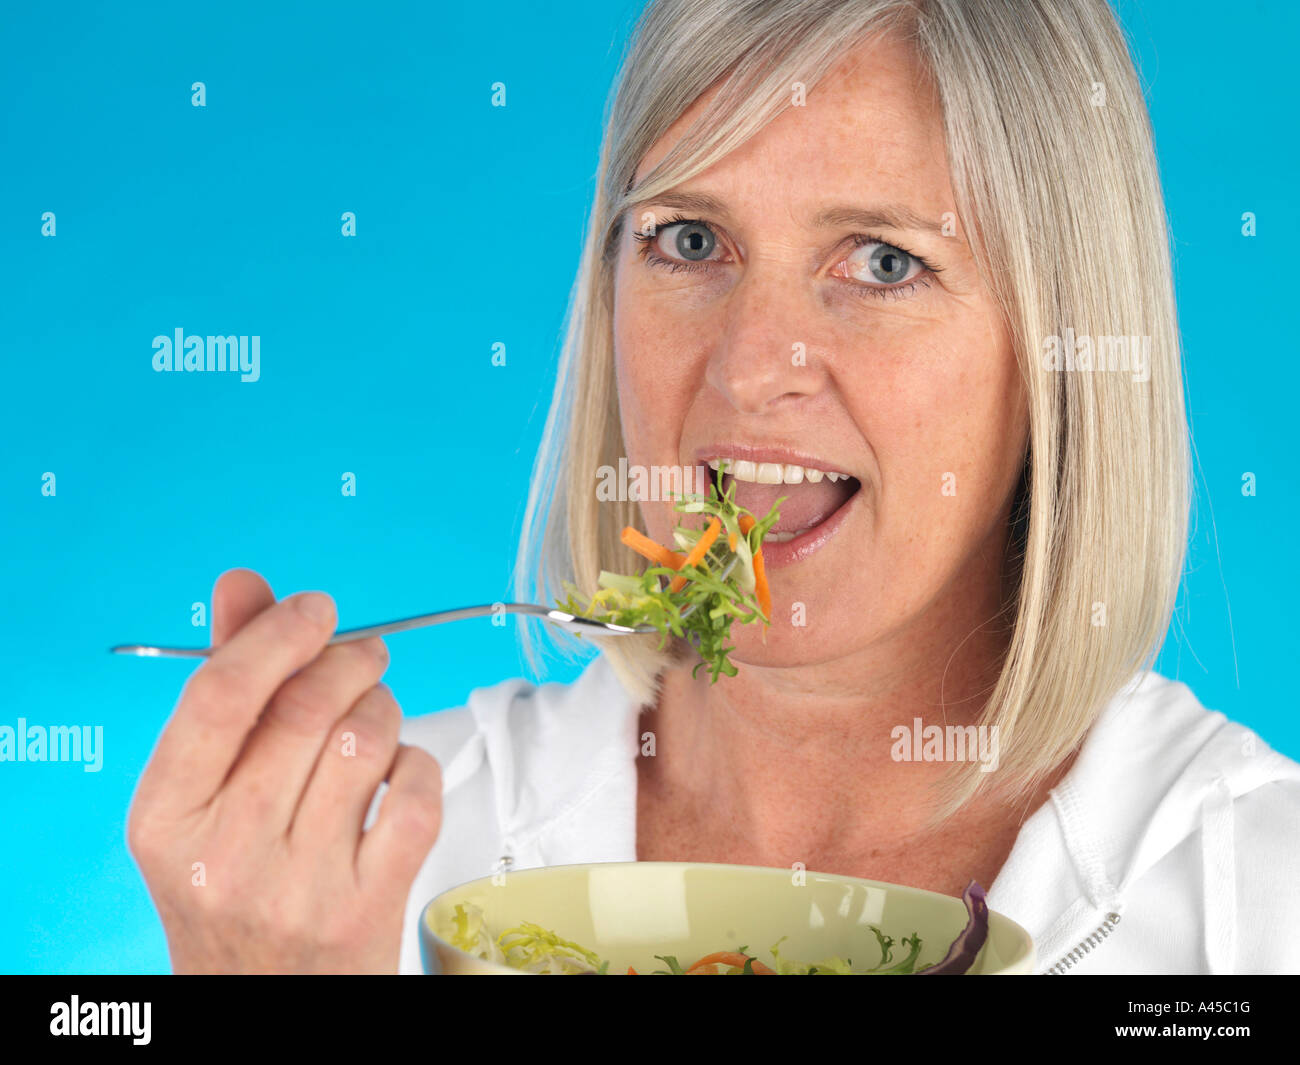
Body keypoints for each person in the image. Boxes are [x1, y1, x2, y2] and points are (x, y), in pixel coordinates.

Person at [128, 0, 1300, 975]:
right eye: (690, 242)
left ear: (1062, 348)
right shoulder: (355, 867)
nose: (749, 370)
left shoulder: (1257, 899)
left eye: (883, 263)